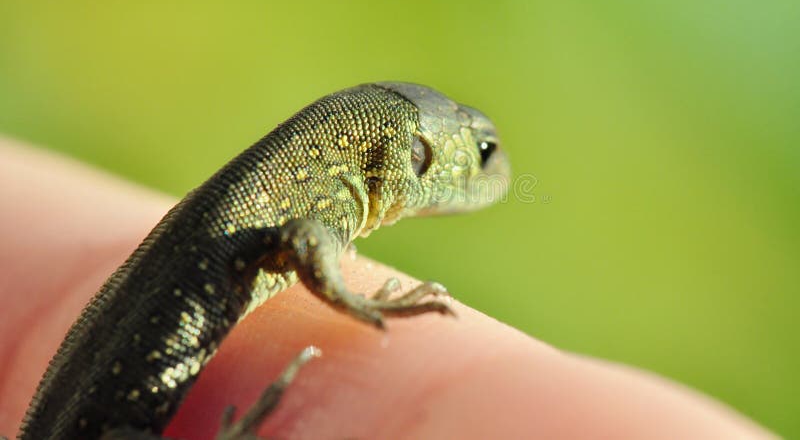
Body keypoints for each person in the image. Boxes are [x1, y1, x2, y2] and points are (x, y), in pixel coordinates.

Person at [0, 137, 774, 439]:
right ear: (416, 156)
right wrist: (358, 303)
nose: (495, 169)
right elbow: (304, 244)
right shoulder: (322, 201)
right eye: (480, 152)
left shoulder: (315, 189)